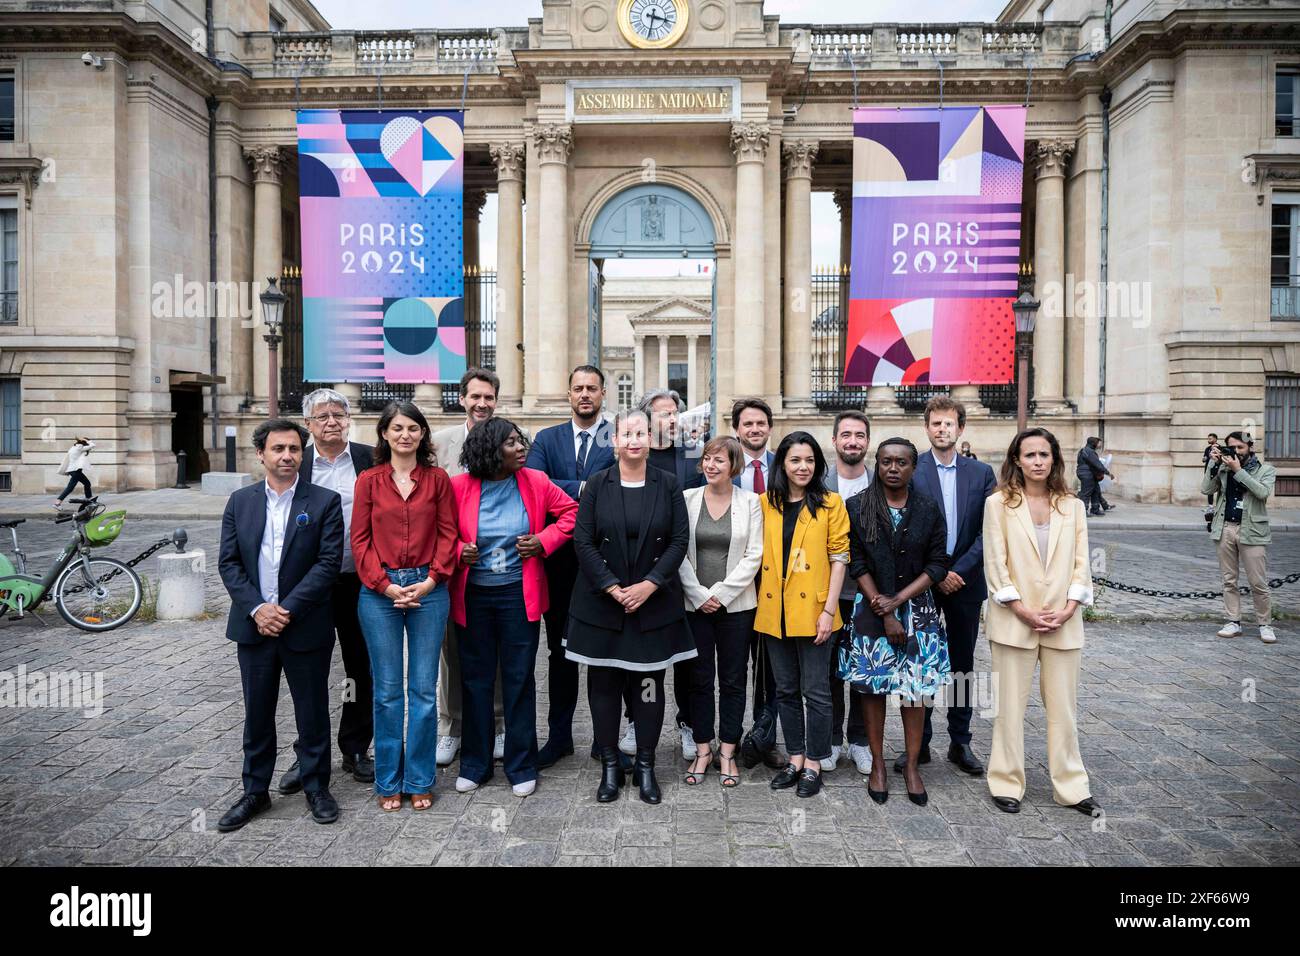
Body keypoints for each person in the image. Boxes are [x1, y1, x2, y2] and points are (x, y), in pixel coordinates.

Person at [216, 419, 344, 831]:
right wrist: (258, 609)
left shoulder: (324, 501)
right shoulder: (240, 502)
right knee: (257, 713)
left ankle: (316, 787)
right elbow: (229, 563)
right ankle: (255, 792)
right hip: (254, 628)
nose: (287, 456)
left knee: (312, 712)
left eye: (293, 449)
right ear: (261, 454)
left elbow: (327, 565)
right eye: (278, 449)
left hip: (304, 624)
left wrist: (285, 609)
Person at [566, 408, 695, 805]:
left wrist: (649, 585)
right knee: (603, 686)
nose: (635, 439)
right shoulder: (596, 485)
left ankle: (645, 765)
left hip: (652, 605)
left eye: (642, 432)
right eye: (627, 433)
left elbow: (678, 541)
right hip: (602, 605)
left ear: (650, 439)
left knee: (649, 688)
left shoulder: (668, 484)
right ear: (616, 441)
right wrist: (611, 586)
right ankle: (609, 765)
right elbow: (583, 542)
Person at [449, 418, 578, 797]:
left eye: (520, 440)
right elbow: (441, 533)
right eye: (511, 443)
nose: (521, 447)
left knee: (519, 680)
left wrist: (543, 540)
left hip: (518, 597)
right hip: (473, 596)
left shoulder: (535, 482)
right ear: (490, 450)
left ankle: (521, 765)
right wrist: (459, 551)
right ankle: (475, 764)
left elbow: (570, 513)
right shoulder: (458, 487)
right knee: (476, 680)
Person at [983, 427, 1098, 817]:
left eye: (1043, 455)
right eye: (1029, 455)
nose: (1036, 462)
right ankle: (1006, 782)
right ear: (1017, 459)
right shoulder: (998, 504)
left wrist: (1069, 607)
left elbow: (1082, 563)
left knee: (1064, 710)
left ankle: (1071, 786)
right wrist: (1020, 608)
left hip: (1063, 622)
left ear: (1054, 460)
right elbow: (995, 563)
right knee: (1008, 710)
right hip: (1014, 622)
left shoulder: (1073, 506)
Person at [352, 402, 458, 812]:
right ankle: (388, 780)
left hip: (429, 589)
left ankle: (420, 778)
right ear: (384, 434)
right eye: (397, 428)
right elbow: (359, 541)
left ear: (423, 435)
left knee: (424, 690)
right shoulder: (368, 481)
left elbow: (449, 535)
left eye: (413, 428)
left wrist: (430, 581)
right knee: (388, 692)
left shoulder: (437, 480)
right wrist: (386, 586)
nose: (405, 435)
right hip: (380, 592)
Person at [839, 438, 951, 806]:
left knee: (916, 690)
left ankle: (912, 765)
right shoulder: (857, 507)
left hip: (918, 610)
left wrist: (899, 601)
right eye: (885, 461)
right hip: (871, 608)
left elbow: (937, 564)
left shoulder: (928, 508)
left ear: (913, 468)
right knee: (873, 689)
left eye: (901, 462)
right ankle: (878, 766)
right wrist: (883, 609)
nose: (892, 468)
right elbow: (856, 562)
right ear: (878, 464)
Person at [277, 388, 375, 797]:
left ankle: (355, 749)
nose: (331, 421)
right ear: (308, 425)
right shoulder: (296, 463)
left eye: (339, 414)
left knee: (361, 667)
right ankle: (308, 753)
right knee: (310, 671)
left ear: (349, 419)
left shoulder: (371, 458)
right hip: (310, 585)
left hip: (361, 581)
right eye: (322, 416)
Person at [525, 366, 617, 768]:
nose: (585, 394)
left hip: (602, 560)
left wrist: (565, 488)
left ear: (603, 394)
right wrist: (586, 489)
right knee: (558, 652)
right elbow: (535, 482)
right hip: (557, 563)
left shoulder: (616, 438)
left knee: (601, 654)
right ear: (568, 394)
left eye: (592, 389)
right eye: (578, 388)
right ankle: (559, 736)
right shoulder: (546, 439)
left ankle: (604, 738)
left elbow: (616, 483)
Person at [754, 431, 850, 798]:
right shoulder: (766, 503)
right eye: (795, 460)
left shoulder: (831, 503)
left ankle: (814, 762)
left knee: (817, 691)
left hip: (815, 612)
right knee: (786, 691)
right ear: (783, 464)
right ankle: (794, 757)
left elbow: (840, 558)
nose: (803, 467)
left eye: (809, 460)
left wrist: (829, 610)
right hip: (774, 611)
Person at [907, 396, 997, 777]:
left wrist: (959, 570)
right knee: (922, 663)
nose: (942, 430)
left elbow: (988, 530)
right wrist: (938, 573)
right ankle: (920, 742)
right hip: (924, 584)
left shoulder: (982, 474)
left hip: (966, 583)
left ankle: (960, 741)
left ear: (961, 428)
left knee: (962, 665)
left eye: (949, 424)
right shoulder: (912, 471)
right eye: (935, 424)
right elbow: (908, 529)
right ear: (926, 428)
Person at [679, 436, 764, 788]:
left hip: (737, 608)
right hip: (694, 605)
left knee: (732, 680)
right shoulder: (686, 500)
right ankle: (702, 748)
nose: (712, 465)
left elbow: (754, 555)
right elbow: (677, 551)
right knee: (698, 679)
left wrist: (722, 594)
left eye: (720, 460)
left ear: (734, 466)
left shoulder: (751, 503)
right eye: (708, 459)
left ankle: (728, 749)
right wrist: (699, 594)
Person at [430, 368, 504, 767]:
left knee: (499, 652)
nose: (481, 404)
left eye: (488, 397)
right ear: (462, 399)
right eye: (475, 397)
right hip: (452, 568)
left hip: (501, 570)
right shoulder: (440, 445)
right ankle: (452, 725)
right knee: (452, 652)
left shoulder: (508, 440)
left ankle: (499, 722)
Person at [640, 388, 704, 761]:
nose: (671, 419)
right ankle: (638, 719)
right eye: (663, 413)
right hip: (644, 567)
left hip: (685, 565)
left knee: (686, 654)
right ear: (647, 420)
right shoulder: (637, 455)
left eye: (674, 412)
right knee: (646, 652)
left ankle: (687, 723)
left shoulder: (693, 456)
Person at [729, 397, 784, 771]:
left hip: (775, 585)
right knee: (734, 668)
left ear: (769, 427)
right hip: (733, 586)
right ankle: (729, 738)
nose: (754, 429)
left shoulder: (786, 465)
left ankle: (765, 737)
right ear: (737, 429)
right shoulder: (722, 467)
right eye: (747, 424)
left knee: (771, 668)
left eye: (761, 423)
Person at [823, 410, 873, 775]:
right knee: (827, 673)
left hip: (869, 596)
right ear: (835, 440)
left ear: (867, 441)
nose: (852, 441)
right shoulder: (819, 483)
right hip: (826, 594)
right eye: (846, 435)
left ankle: (860, 740)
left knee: (864, 672)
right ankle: (829, 740)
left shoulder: (883, 482)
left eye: (859, 435)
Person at [1204, 431, 1277, 644]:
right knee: (1229, 580)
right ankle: (1233, 621)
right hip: (1226, 527)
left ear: (1250, 447)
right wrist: (1213, 464)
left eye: (1240, 447)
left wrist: (1238, 471)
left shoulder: (1266, 470)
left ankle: (1265, 624)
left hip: (1252, 530)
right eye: (1231, 448)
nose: (1236, 452)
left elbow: (1262, 493)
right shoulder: (1223, 468)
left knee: (1258, 582)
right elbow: (1205, 489)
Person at [1075, 436, 1112, 517]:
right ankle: (1082, 511)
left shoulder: (1086, 450)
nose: (1100, 445)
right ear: (1094, 443)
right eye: (1099, 443)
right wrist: (1108, 473)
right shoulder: (1089, 451)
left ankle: (1095, 509)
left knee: (1096, 491)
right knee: (1086, 493)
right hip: (1087, 474)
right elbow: (1097, 464)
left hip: (1089, 473)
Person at [54, 437, 94, 509]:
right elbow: (92, 445)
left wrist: (84, 440)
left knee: (87, 483)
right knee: (70, 487)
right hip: (75, 471)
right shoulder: (80, 448)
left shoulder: (73, 447)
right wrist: (88, 441)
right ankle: (57, 503)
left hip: (74, 471)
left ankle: (89, 498)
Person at [1203, 433, 1219, 510]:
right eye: (1208, 438)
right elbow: (1204, 459)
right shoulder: (1207, 449)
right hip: (1208, 470)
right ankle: (1210, 506)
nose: (1208, 440)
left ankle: (1219, 505)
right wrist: (1205, 459)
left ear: (1215, 439)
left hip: (1217, 471)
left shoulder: (1220, 448)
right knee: (1209, 488)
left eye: (1210, 438)